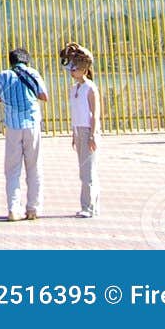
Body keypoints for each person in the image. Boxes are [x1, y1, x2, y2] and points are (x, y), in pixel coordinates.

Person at [0, 46, 49, 221]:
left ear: (11, 61)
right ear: (27, 60)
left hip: (13, 126)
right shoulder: (33, 73)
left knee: (12, 170)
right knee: (34, 167)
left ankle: (13, 209)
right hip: (32, 124)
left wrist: (6, 98)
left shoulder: (4, 75)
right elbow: (44, 95)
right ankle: (33, 208)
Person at [67, 48, 101, 217]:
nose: (73, 71)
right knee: (83, 169)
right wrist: (74, 133)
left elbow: (94, 113)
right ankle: (90, 204)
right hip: (78, 129)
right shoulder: (74, 89)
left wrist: (92, 134)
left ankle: (89, 206)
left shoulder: (90, 88)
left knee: (88, 170)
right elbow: (75, 112)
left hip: (88, 129)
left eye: (76, 68)